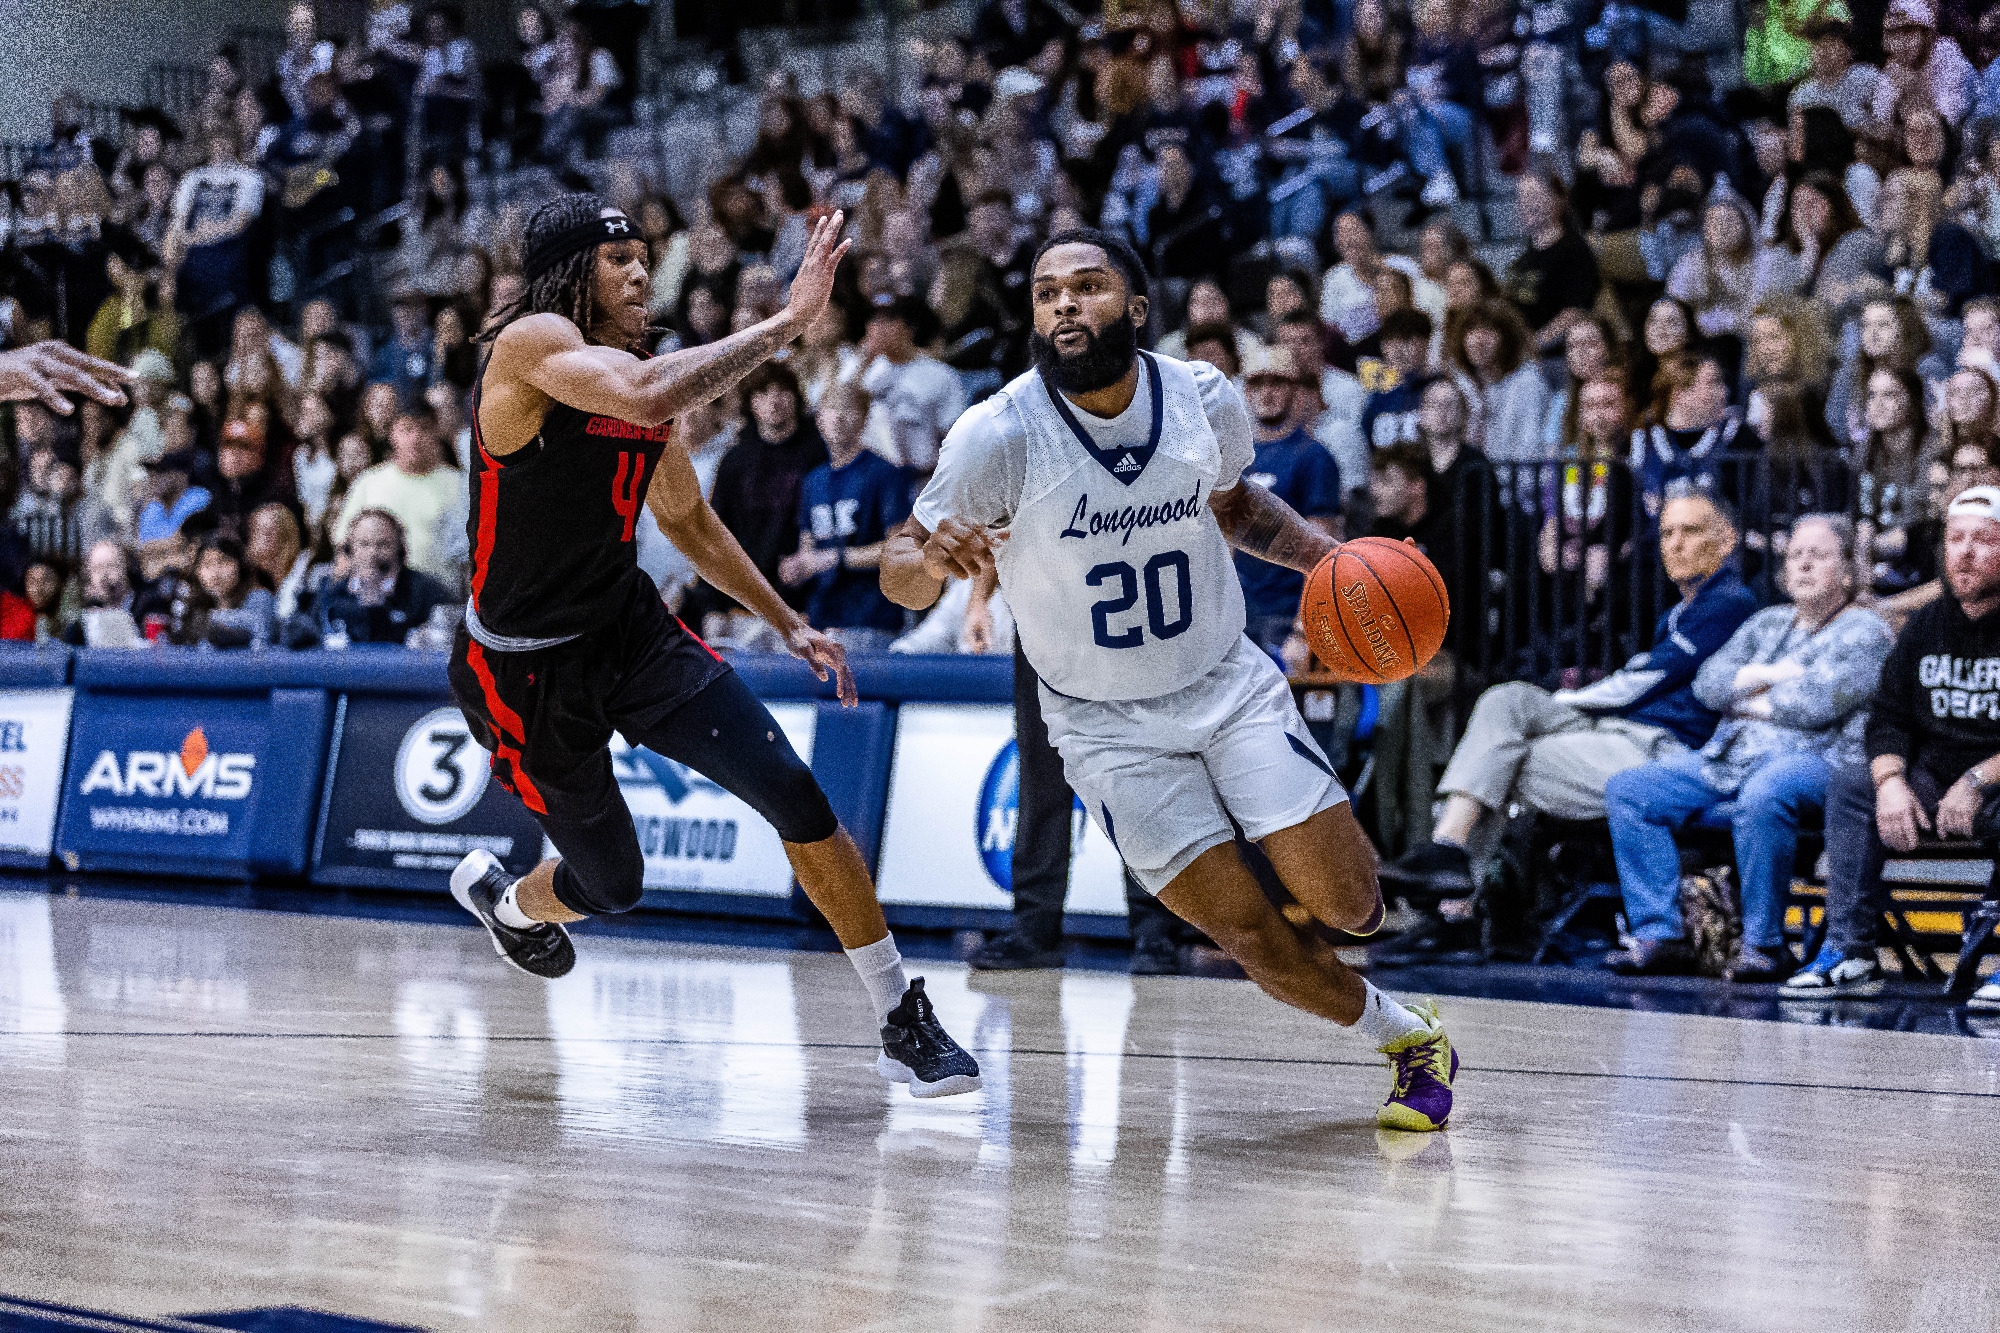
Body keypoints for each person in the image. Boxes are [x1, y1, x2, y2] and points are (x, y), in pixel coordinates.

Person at [882, 229, 1458, 1132]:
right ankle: (1408, 1037)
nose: (1064, 304)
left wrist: (1328, 560)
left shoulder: (1199, 396)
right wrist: (928, 562)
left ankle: (1341, 883)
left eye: (1088, 285)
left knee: (1352, 906)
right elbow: (899, 565)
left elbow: (1234, 506)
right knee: (1249, 935)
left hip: (1225, 683)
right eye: (1045, 293)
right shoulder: (994, 432)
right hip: (1105, 727)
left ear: (1137, 308)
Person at [448, 195, 979, 1098]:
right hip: (523, 668)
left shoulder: (645, 371)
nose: (641, 273)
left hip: (629, 629)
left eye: (645, 256)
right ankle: (509, 901)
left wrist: (786, 620)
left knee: (795, 794)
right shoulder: (530, 344)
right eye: (619, 258)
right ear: (573, 271)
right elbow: (649, 394)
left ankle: (901, 1015)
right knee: (613, 883)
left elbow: (686, 515)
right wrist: (790, 323)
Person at [1383, 493, 1759, 893]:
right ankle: (1449, 855)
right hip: (1618, 732)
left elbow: (1646, 680)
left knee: (1504, 758)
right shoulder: (1679, 611)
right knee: (1506, 699)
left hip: (1662, 749)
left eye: (1691, 531)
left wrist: (1565, 701)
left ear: (1727, 539)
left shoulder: (1729, 603)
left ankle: (1454, 904)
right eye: (1667, 533)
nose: (1676, 544)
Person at [1602, 516, 1893, 979]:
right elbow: (1708, 684)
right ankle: (1662, 932)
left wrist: (1749, 699)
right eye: (1796, 555)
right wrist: (1771, 680)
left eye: (1817, 556)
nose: (1803, 566)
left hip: (1819, 761)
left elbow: (1818, 704)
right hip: (1729, 758)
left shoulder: (1867, 632)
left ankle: (1763, 944)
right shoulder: (1766, 623)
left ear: (1846, 571)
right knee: (1630, 790)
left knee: (1765, 791)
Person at [1784, 486, 2000, 1004]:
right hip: (1933, 778)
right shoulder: (1925, 625)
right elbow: (1888, 717)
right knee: (1854, 785)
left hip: (1991, 782)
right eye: (1955, 540)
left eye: (1984, 541)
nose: (1965, 553)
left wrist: (1975, 782)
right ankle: (1852, 953)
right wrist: (1890, 784)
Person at [779, 381, 911, 652]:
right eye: (830, 409)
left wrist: (836, 558)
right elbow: (808, 549)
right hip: (822, 617)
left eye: (848, 409)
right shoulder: (813, 481)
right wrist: (796, 567)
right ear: (818, 420)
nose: (838, 417)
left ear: (864, 419)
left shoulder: (884, 473)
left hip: (871, 619)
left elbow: (898, 550)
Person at [1234, 346, 1343, 653]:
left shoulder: (1314, 457)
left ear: (1295, 390)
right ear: (1246, 390)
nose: (1266, 393)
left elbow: (1322, 550)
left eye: (1277, 383)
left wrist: (1304, 629)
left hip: (1286, 615)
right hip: (1240, 612)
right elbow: (1225, 546)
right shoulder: (1235, 458)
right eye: (1258, 383)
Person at [334, 403, 467, 589]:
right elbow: (343, 547)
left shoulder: (460, 484)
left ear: (436, 432)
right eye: (407, 429)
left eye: (424, 428)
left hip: (442, 599)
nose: (416, 437)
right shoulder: (368, 483)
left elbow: (471, 557)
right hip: (380, 602)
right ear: (392, 434)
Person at [303, 509, 451, 647]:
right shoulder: (331, 594)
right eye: (364, 544)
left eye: (383, 544)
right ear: (350, 549)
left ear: (400, 549)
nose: (372, 553)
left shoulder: (427, 591)